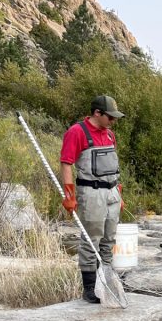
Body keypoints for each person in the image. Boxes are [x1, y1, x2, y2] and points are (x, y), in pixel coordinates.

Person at [59, 95, 125, 304]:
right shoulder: (77, 132)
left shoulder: (110, 135)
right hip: (91, 192)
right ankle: (89, 288)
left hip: (112, 191)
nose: (113, 121)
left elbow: (113, 168)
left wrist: (119, 195)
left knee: (109, 239)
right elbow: (66, 163)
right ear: (98, 113)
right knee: (91, 239)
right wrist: (69, 196)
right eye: (110, 117)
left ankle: (105, 281)